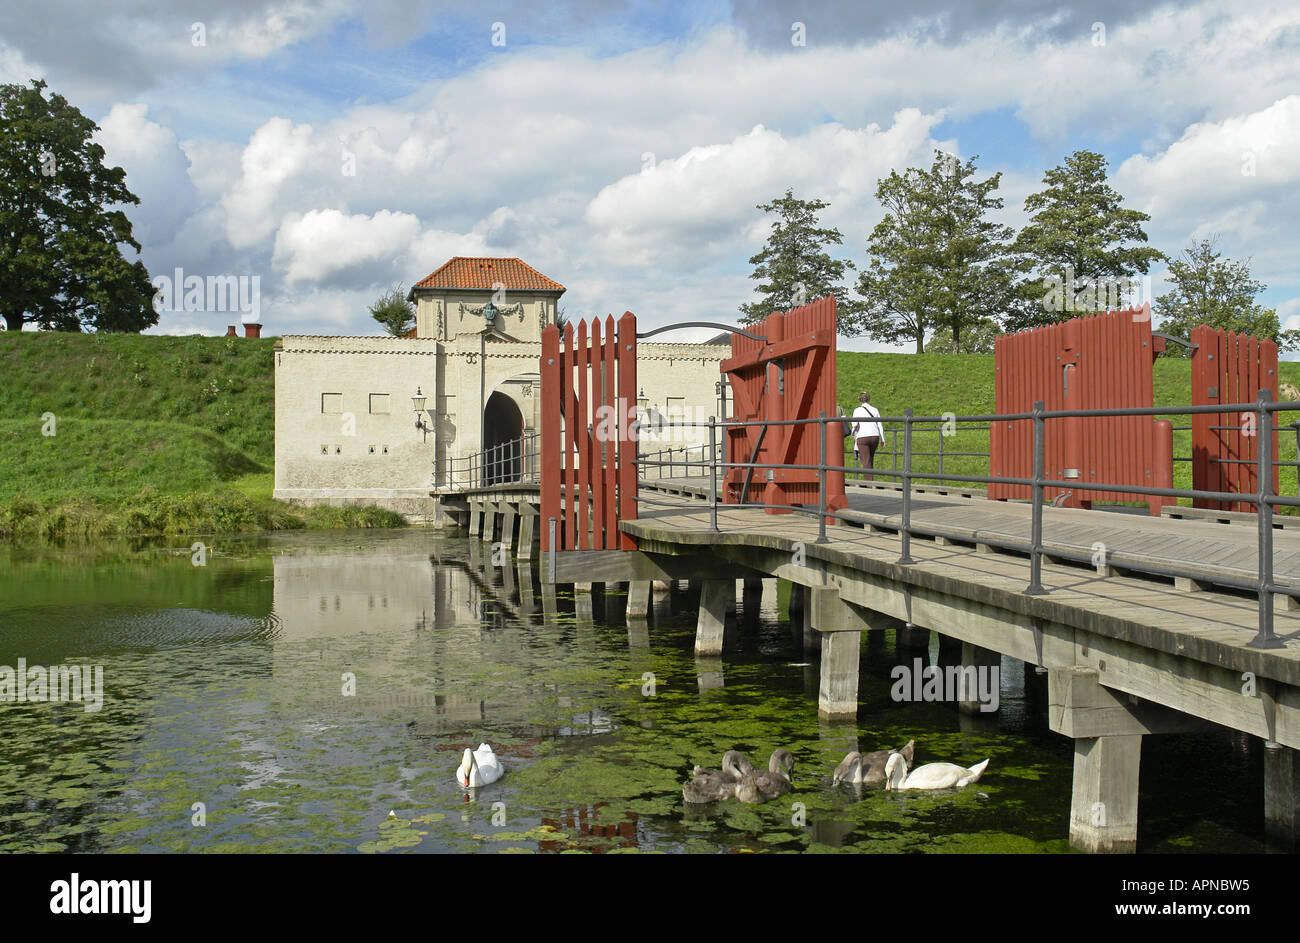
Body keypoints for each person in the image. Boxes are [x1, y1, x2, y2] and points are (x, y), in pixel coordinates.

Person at [851, 392, 883, 481]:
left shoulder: (857, 410)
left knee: (865, 459)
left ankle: (869, 483)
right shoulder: (875, 409)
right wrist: (883, 439)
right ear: (869, 399)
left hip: (863, 436)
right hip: (875, 436)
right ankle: (871, 479)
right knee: (870, 458)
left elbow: (854, 424)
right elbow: (879, 424)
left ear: (859, 400)